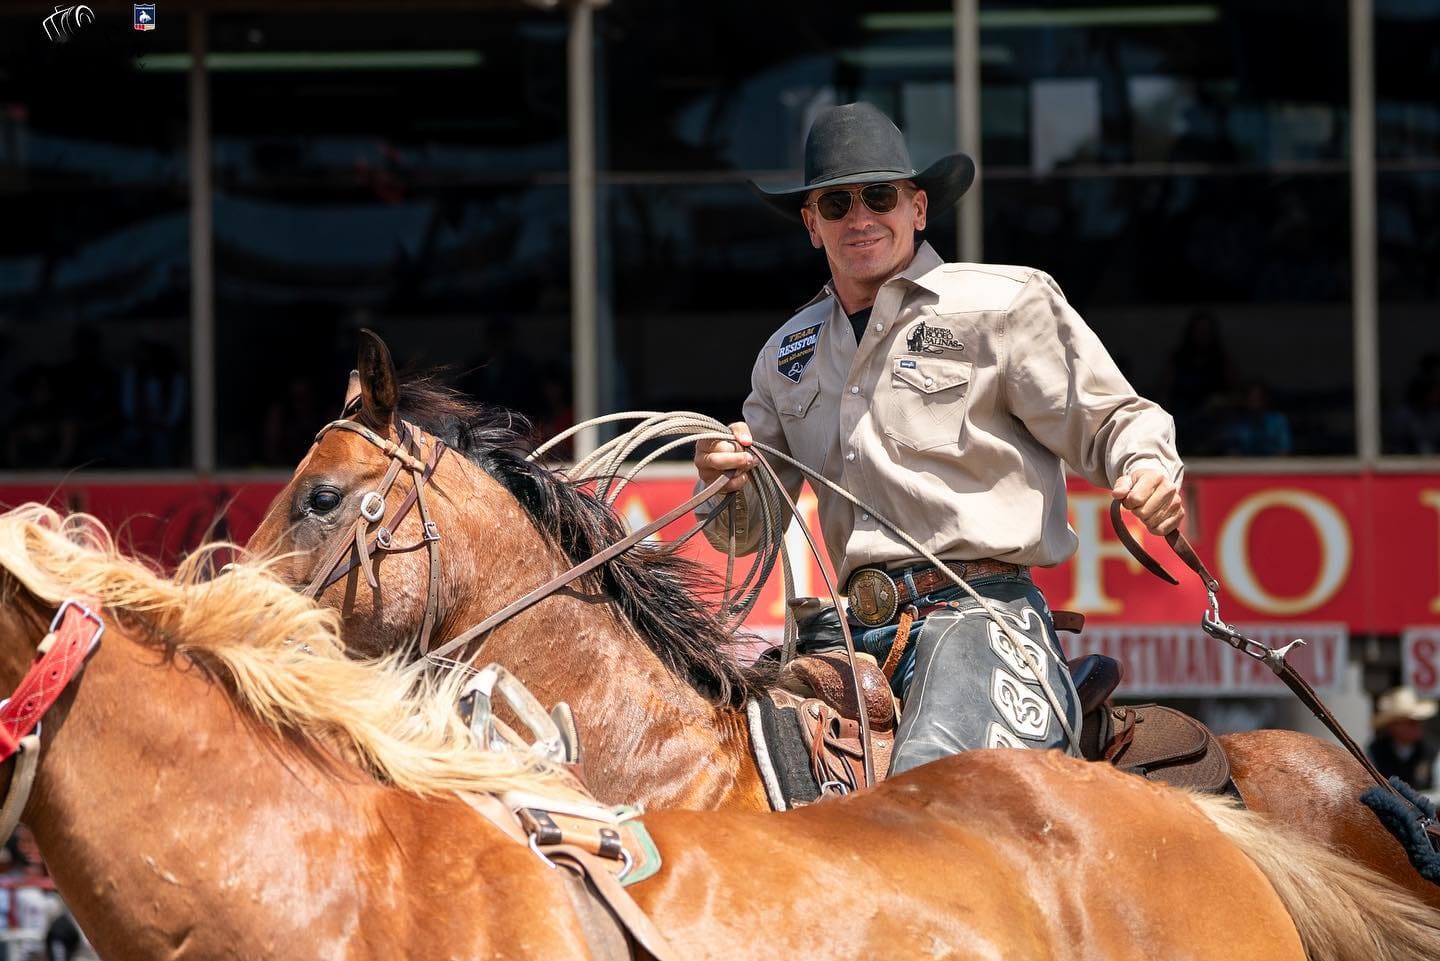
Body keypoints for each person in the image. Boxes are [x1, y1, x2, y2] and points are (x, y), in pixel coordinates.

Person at [692, 103, 1184, 775]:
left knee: (929, 789)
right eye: (836, 203)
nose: (859, 217)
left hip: (983, 613)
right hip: (844, 635)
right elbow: (747, 532)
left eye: (879, 196)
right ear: (812, 224)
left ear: (918, 208)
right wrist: (725, 481)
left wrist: (1147, 467)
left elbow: (1112, 419)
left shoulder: (1002, 304)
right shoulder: (785, 355)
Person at [1367, 685, 1438, 791]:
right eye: (1411, 722)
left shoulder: (1431, 751)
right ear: (1393, 725)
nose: (1418, 726)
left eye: (1419, 721)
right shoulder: (1375, 751)